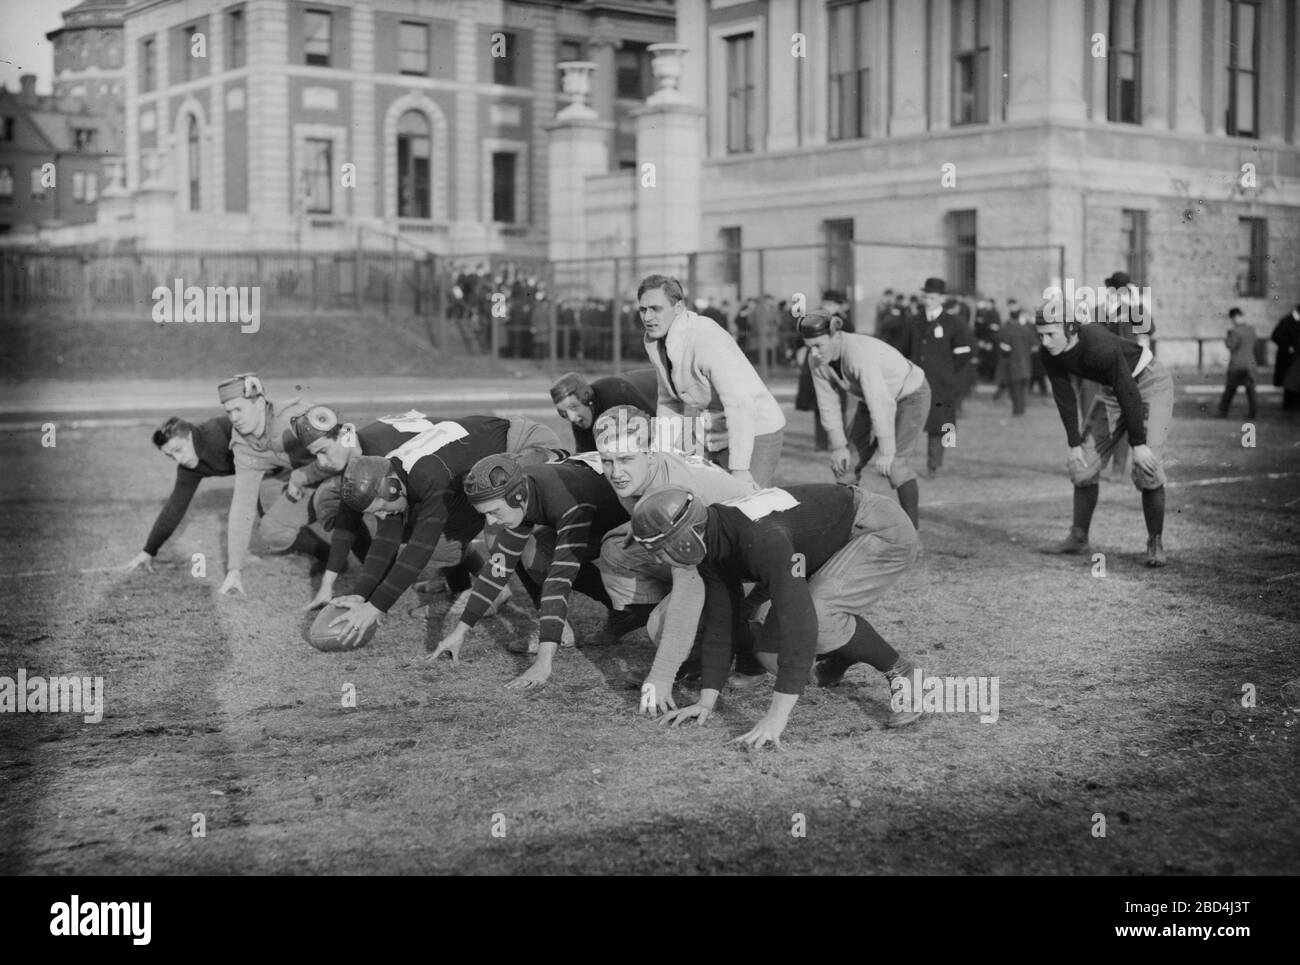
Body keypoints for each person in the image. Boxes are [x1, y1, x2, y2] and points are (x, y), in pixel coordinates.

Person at [631, 484, 925, 747]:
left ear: (687, 537)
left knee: (817, 616)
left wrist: (775, 719)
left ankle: (903, 672)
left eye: (660, 550)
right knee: (769, 654)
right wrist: (706, 702)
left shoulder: (761, 539)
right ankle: (843, 654)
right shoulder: (712, 538)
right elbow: (723, 623)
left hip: (876, 527)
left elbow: (800, 624)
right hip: (831, 544)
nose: (658, 560)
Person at [326, 416, 567, 645]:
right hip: (481, 467)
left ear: (390, 490)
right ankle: (478, 591)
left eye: (378, 509)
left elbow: (420, 547)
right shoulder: (392, 472)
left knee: (509, 533)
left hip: (525, 445)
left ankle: (554, 625)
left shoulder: (427, 474)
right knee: (443, 544)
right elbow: (385, 539)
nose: (380, 516)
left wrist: (375, 607)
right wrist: (361, 594)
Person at [591, 405, 762, 682]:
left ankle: (735, 644)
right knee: (615, 550)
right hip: (708, 548)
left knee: (662, 626)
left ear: (649, 454)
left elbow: (695, 565)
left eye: (624, 459)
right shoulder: (642, 471)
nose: (615, 471)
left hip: (748, 567)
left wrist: (661, 674)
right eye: (607, 461)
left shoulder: (672, 487)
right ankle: (692, 634)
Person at [429, 453, 629, 689]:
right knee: (523, 550)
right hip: (594, 516)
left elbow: (559, 581)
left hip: (627, 530)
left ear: (517, 496)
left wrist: (543, 663)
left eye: (494, 511)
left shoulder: (566, 501)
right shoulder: (522, 492)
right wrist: (459, 631)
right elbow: (498, 568)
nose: (490, 522)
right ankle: (621, 611)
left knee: (556, 560)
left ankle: (633, 609)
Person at [1035, 307, 1174, 567]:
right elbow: (1064, 395)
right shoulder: (1048, 352)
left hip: (1149, 384)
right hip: (1112, 391)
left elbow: (1129, 392)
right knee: (1082, 465)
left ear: (1070, 329)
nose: (1044, 342)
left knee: (1147, 467)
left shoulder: (1099, 345)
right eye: (1040, 335)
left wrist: (1139, 444)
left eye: (1050, 334)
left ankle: (1155, 542)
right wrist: (1073, 443)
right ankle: (1078, 537)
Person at [295, 406, 458, 610]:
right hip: (434, 472)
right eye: (315, 455)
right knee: (337, 501)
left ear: (345, 436)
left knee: (425, 527)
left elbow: (387, 535)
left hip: (460, 470)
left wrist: (361, 596)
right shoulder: (358, 458)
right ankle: (449, 575)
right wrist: (326, 587)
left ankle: (467, 586)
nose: (321, 462)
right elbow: (346, 523)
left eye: (323, 451)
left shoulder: (382, 458)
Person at [637, 274, 786, 488]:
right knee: (707, 506)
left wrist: (740, 469)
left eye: (655, 308)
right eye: (643, 309)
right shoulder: (655, 340)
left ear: (678, 308)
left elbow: (740, 404)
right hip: (715, 431)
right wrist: (664, 455)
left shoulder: (705, 336)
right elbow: (669, 400)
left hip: (756, 429)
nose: (647, 317)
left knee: (744, 507)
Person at [797, 311, 929, 528]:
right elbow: (827, 403)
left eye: (818, 345)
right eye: (809, 347)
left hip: (910, 395)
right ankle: (848, 530)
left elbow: (882, 403)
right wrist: (839, 446)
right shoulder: (816, 359)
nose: (814, 353)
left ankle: (912, 536)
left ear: (835, 336)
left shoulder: (859, 353)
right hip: (872, 399)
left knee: (896, 466)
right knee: (845, 466)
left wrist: (887, 451)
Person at [217, 373, 332, 597]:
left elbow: (343, 450)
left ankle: (374, 565)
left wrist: (306, 476)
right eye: (229, 412)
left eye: (239, 409)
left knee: (335, 498)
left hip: (338, 472)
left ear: (260, 403)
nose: (234, 417)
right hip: (309, 478)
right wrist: (234, 570)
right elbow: (242, 506)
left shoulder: (296, 417)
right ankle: (328, 555)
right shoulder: (242, 442)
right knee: (271, 524)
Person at [126, 415, 236, 572]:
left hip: (278, 460)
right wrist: (149, 550)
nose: (179, 459)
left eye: (178, 450)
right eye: (171, 455)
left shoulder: (220, 430)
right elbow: (174, 509)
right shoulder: (188, 469)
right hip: (270, 473)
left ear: (190, 434)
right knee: (272, 531)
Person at [904, 277, 972, 476]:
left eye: (932, 297)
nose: (928, 300)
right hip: (915, 381)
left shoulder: (954, 323)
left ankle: (933, 464)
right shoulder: (913, 321)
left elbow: (964, 353)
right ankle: (901, 462)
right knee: (910, 422)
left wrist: (947, 372)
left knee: (940, 424)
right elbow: (904, 350)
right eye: (926, 296)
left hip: (942, 383)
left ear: (942, 298)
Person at [549, 370, 657, 453]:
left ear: (586, 397)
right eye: (563, 413)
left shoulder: (616, 396)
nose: (572, 418)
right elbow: (586, 455)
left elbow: (657, 431)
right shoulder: (580, 419)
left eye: (573, 407)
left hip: (653, 388)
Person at [1218, 308, 1258, 420]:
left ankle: (1223, 411)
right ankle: (1253, 412)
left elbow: (1231, 345)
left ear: (1235, 317)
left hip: (1237, 365)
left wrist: (1227, 337)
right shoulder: (1251, 330)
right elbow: (1255, 346)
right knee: (1251, 391)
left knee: (1230, 390)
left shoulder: (1235, 331)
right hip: (1250, 364)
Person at [998, 305, 1037, 416]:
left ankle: (1017, 410)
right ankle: (1022, 409)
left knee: (1015, 389)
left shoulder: (1007, 329)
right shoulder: (1026, 329)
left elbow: (1003, 347)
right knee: (1024, 389)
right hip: (1026, 364)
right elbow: (1035, 347)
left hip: (1013, 364)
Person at [1272, 304, 1300, 411]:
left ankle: (1295, 405)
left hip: (1296, 358)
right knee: (1289, 382)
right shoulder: (1286, 321)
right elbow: (1275, 336)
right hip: (1288, 358)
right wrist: (1288, 346)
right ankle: (1288, 406)